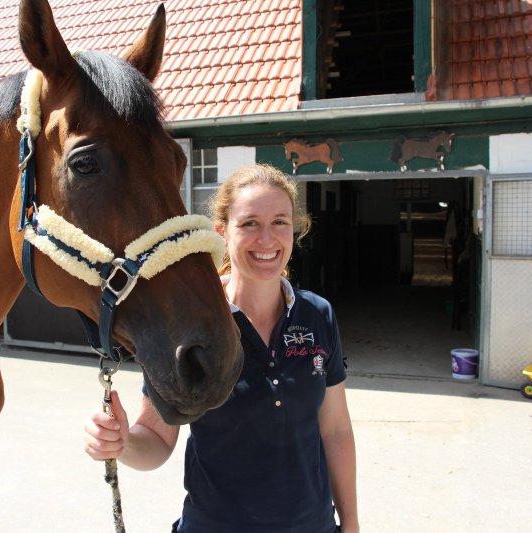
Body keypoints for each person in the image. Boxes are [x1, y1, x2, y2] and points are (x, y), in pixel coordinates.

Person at [84, 163, 359, 533]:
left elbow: (336, 429)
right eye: (249, 223)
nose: (267, 239)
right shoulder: (186, 325)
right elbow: (156, 440)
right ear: (222, 233)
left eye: (279, 221)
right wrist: (122, 442)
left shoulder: (317, 314)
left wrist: (351, 522)